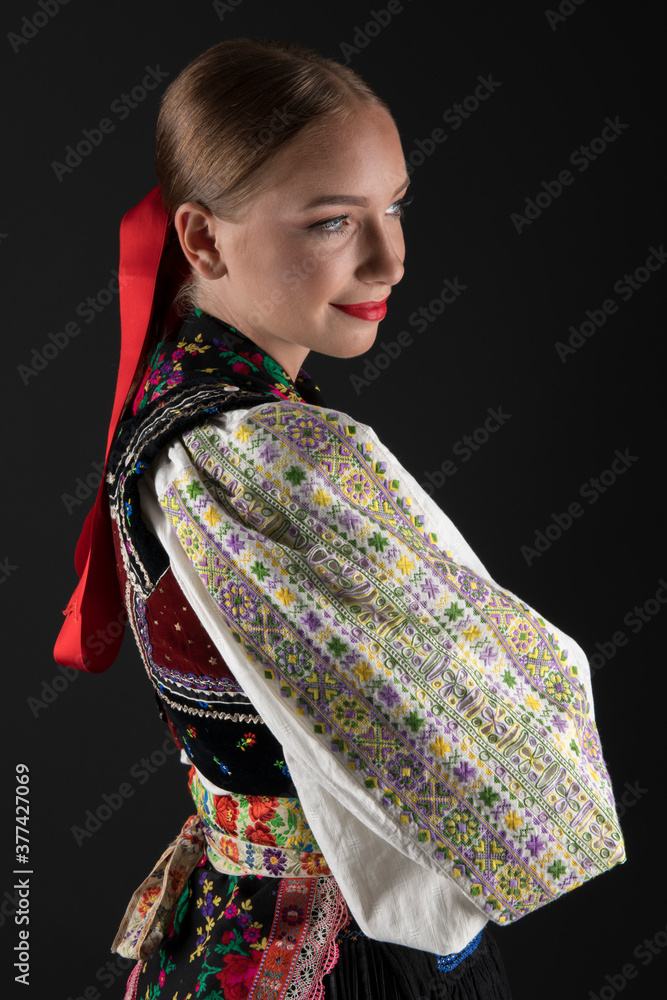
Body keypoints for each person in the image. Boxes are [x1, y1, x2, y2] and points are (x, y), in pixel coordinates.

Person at [55, 38, 626, 1000]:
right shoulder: (255, 449)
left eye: (392, 206)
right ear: (201, 240)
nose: (390, 259)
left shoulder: (186, 395)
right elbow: (501, 718)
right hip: (345, 951)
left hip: (240, 921)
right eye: (331, 222)